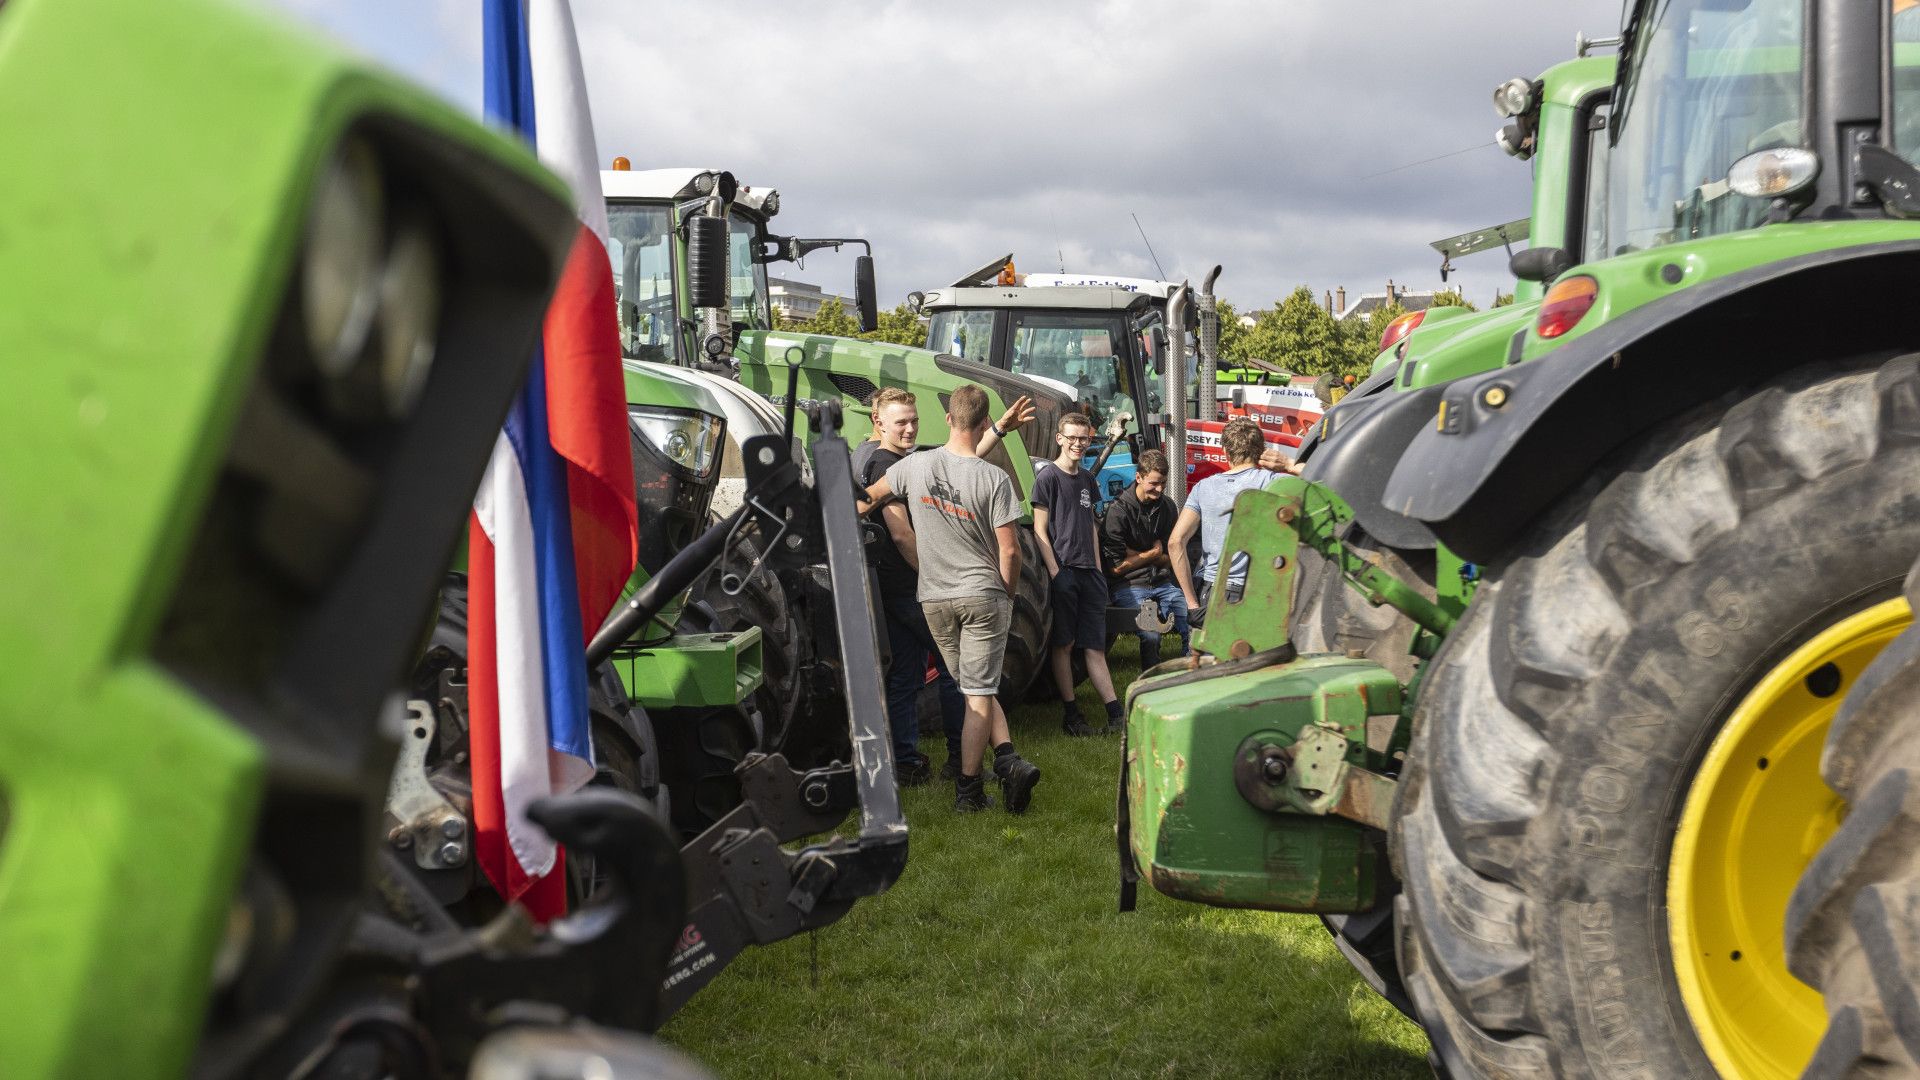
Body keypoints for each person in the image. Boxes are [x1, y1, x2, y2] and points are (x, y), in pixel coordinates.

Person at [861, 385, 1042, 813]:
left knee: (970, 687)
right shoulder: (994, 479)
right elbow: (1011, 550)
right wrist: (1008, 594)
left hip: (934, 599)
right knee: (978, 692)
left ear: (947, 420)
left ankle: (1007, 759)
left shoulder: (914, 466)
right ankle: (969, 789)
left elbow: (866, 501)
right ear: (981, 423)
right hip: (981, 596)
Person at [1033, 413, 1122, 736]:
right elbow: (1040, 531)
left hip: (1090, 574)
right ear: (1060, 438)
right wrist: (1057, 572)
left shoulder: (1087, 479)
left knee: (1094, 646)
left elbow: (1091, 528)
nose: (1078, 444)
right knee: (1065, 645)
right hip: (1065, 572)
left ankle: (1115, 714)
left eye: (1083, 438)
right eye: (1071, 437)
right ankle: (1071, 714)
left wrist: (1097, 569)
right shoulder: (1048, 478)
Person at [1171, 417, 1280, 626]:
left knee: (1212, 657)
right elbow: (1323, 487)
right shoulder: (1271, 482)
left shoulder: (1203, 487)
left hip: (1213, 591)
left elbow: (1175, 542)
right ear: (1261, 450)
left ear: (1225, 452)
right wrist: (1291, 466)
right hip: (1257, 592)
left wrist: (1192, 604)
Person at [1101, 449, 1188, 668]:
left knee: (1192, 620)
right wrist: (1153, 553)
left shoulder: (1168, 507)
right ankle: (1149, 681)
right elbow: (1116, 568)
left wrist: (1139, 555)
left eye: (1163, 484)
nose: (1159, 490)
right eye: (1154, 483)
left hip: (1163, 582)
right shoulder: (1118, 511)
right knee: (1151, 635)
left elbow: (1171, 557)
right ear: (1138, 477)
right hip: (1129, 586)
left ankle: (1190, 676)